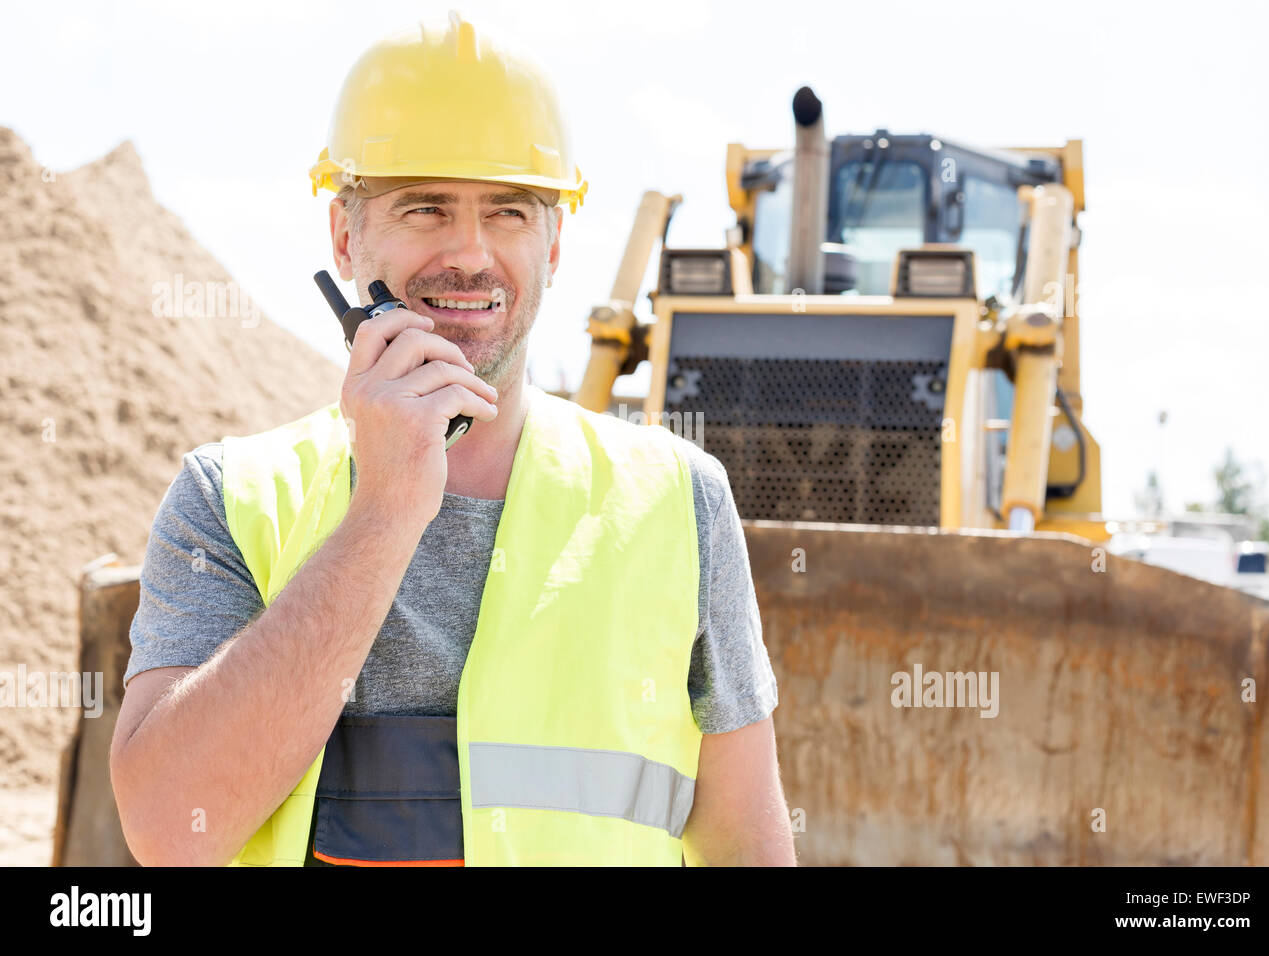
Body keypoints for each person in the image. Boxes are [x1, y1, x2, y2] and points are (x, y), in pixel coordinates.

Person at [109, 11, 794, 867]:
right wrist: (387, 509)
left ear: (554, 242)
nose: (469, 253)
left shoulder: (679, 502)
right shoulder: (233, 499)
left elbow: (746, 844)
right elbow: (172, 830)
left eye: (508, 211)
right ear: (345, 235)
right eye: (425, 206)